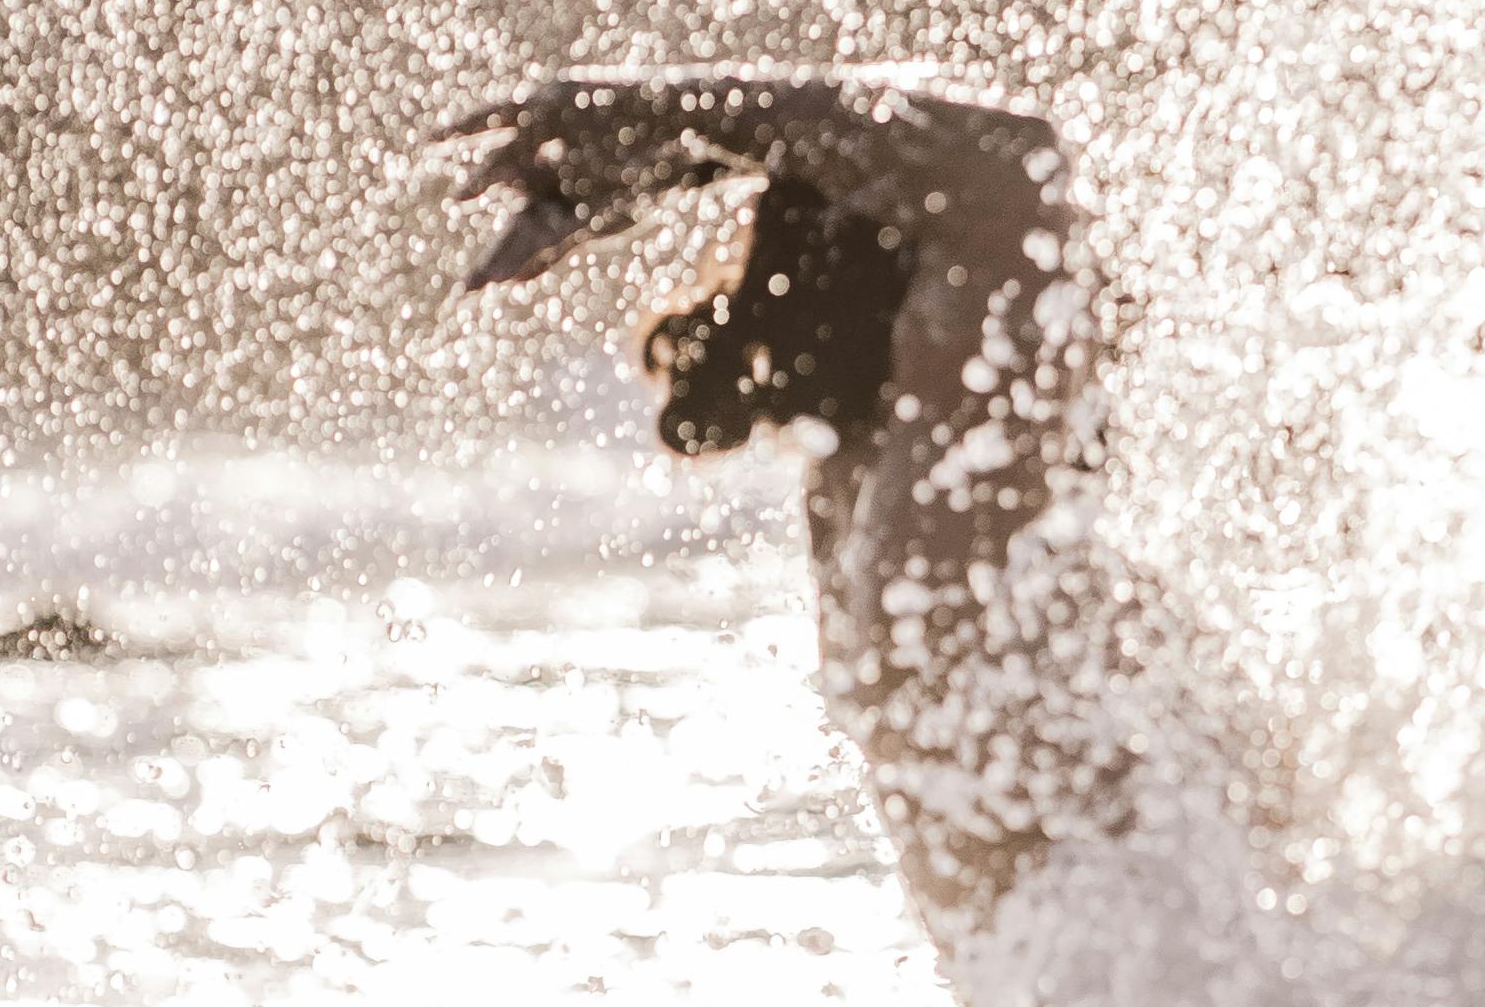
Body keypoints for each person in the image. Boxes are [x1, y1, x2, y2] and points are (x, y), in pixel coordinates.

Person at [448, 68, 1150, 943]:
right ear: (930, 318)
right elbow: (1016, 167)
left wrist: (693, 155)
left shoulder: (873, 535)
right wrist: (670, 121)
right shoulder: (940, 523)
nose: (1076, 304)